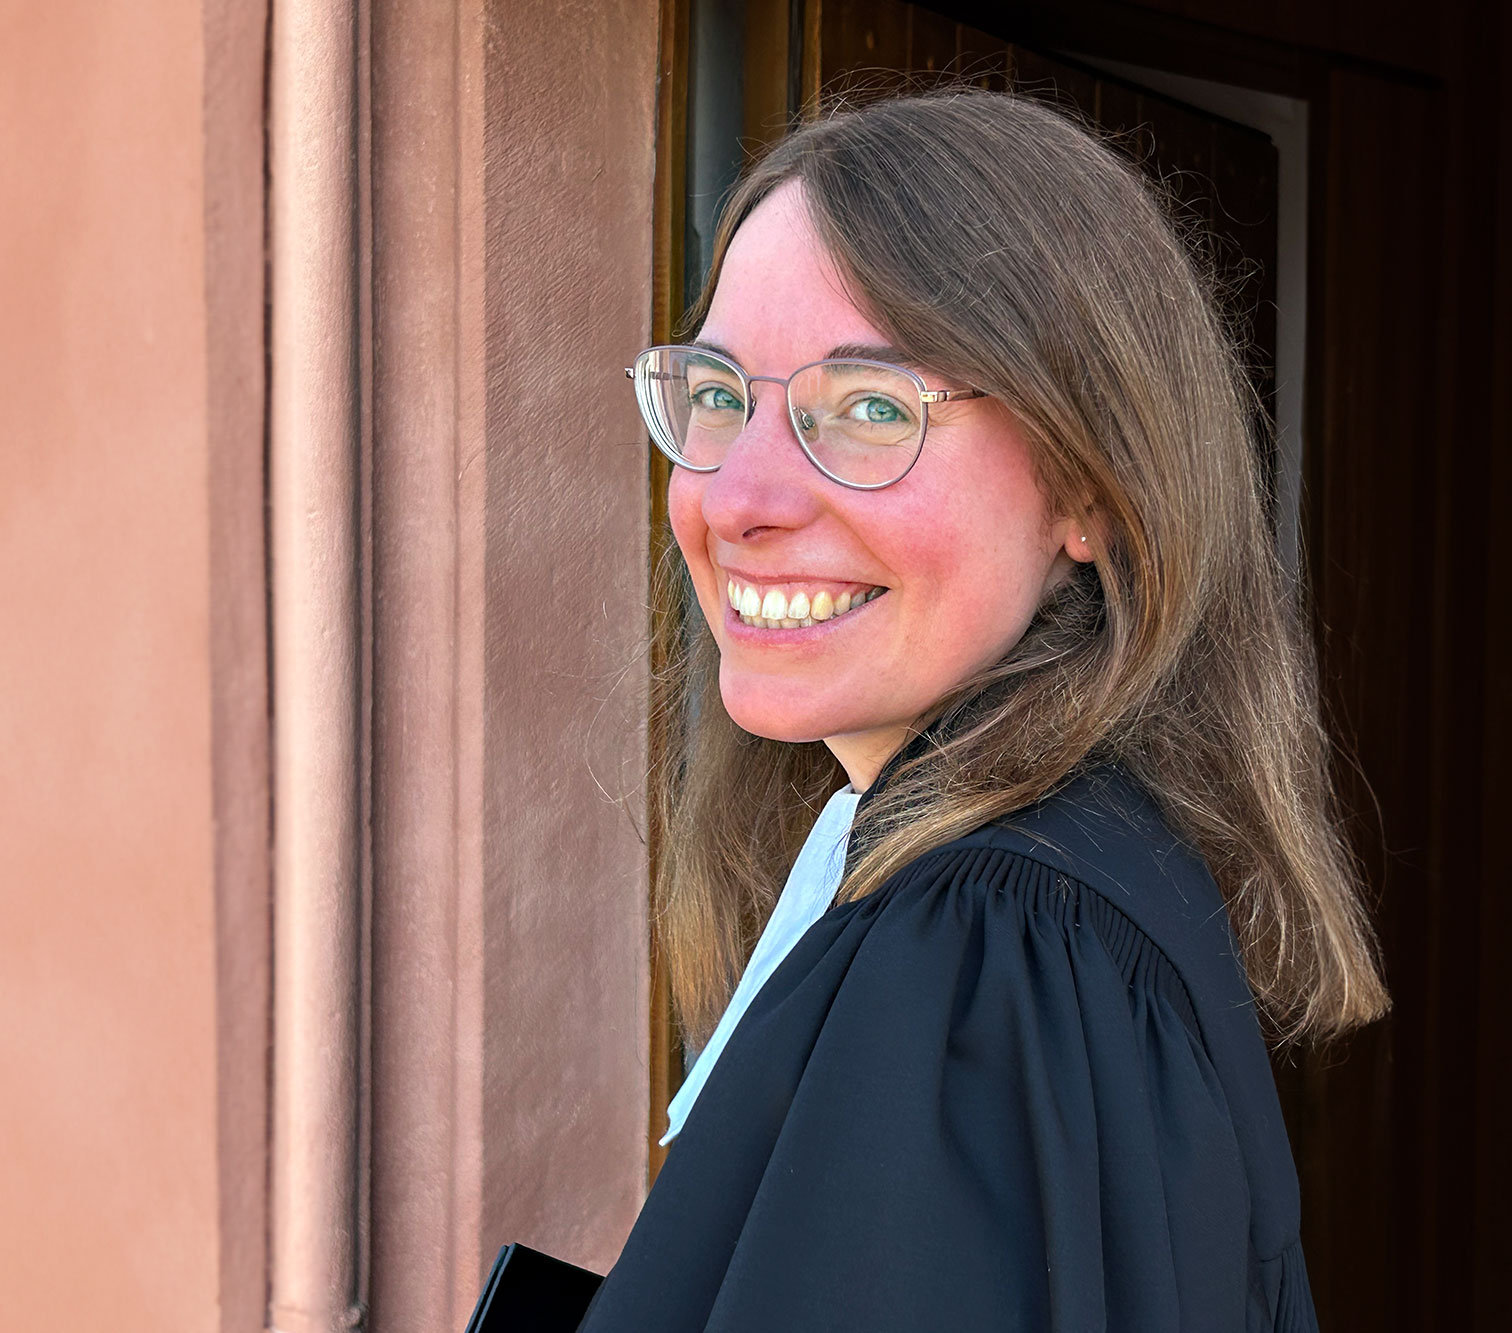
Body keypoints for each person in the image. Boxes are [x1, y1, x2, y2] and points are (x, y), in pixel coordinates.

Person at [581, 89, 1388, 1331]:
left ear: (1089, 486)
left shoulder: (988, 948)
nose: (735, 498)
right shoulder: (1048, 876)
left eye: (870, 407)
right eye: (722, 396)